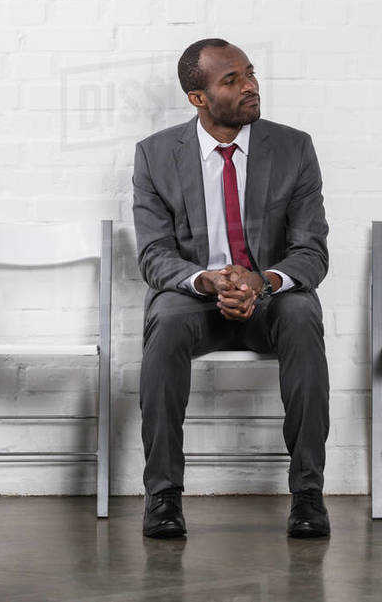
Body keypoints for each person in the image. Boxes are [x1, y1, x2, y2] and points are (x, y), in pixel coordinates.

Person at [132, 38, 331, 539]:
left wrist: (260, 281)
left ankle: (308, 493)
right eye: (232, 80)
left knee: (303, 314)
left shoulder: (293, 148)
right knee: (166, 319)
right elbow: (154, 254)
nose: (250, 86)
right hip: (198, 300)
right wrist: (208, 279)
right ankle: (163, 496)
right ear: (198, 98)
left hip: (268, 300)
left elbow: (312, 251)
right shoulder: (155, 156)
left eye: (251, 73)